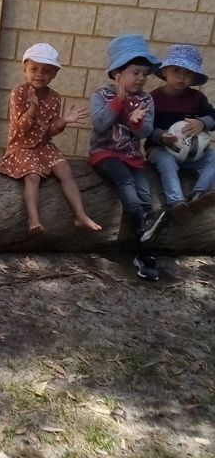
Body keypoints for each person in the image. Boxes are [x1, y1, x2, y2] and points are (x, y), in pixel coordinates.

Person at [0, 43, 101, 235]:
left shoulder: (55, 98)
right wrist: (33, 108)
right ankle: (33, 219)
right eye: (34, 69)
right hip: (22, 146)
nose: (39, 75)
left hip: (44, 146)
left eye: (46, 71)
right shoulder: (19, 92)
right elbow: (21, 127)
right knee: (33, 176)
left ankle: (80, 215)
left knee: (65, 171)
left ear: (53, 75)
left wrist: (63, 120)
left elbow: (50, 130)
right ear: (24, 70)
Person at [88, 34, 166, 282]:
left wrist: (137, 123)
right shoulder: (101, 95)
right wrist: (119, 102)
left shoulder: (146, 99)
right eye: (135, 72)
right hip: (104, 153)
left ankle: (144, 255)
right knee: (124, 181)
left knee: (144, 196)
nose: (141, 78)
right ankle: (145, 226)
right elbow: (100, 124)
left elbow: (145, 132)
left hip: (132, 155)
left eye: (145, 73)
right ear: (117, 74)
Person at [145, 44, 215, 219]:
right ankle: (176, 202)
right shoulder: (153, 98)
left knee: (214, 157)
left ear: (194, 78)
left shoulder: (197, 99)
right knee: (166, 162)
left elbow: (213, 116)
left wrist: (203, 123)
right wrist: (160, 136)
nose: (182, 77)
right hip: (160, 149)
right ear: (165, 72)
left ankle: (199, 194)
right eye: (176, 70)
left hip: (191, 154)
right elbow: (145, 128)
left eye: (188, 73)